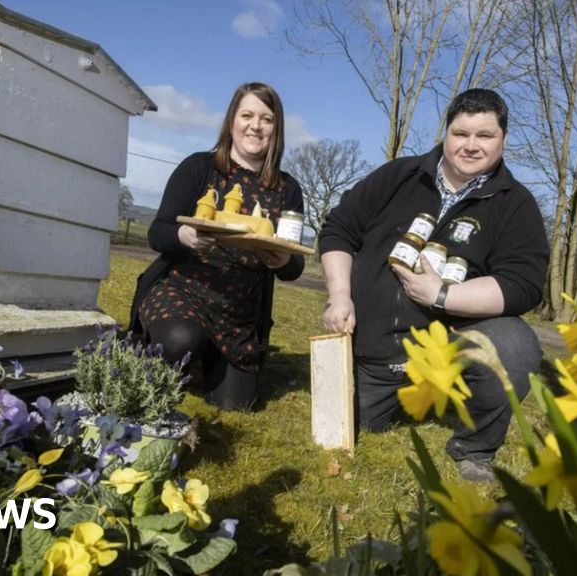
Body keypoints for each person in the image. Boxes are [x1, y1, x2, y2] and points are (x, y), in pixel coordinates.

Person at [318, 88, 549, 482]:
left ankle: (473, 449)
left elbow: (523, 283)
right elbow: (339, 228)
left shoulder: (516, 204)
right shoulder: (399, 175)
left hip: (443, 359)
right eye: (461, 133)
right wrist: (339, 296)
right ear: (446, 132)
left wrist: (441, 295)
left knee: (515, 345)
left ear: (503, 140)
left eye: (485, 136)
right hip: (372, 355)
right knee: (357, 423)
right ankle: (414, 402)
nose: (470, 145)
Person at [129, 82, 304, 410]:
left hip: (240, 316)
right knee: (180, 339)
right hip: (183, 294)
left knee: (238, 405)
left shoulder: (288, 189)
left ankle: (209, 354)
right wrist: (186, 236)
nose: (255, 125)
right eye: (247, 115)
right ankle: (155, 347)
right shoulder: (200, 167)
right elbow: (158, 232)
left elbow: (294, 269)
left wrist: (280, 259)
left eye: (266, 119)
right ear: (232, 120)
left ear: (276, 129)